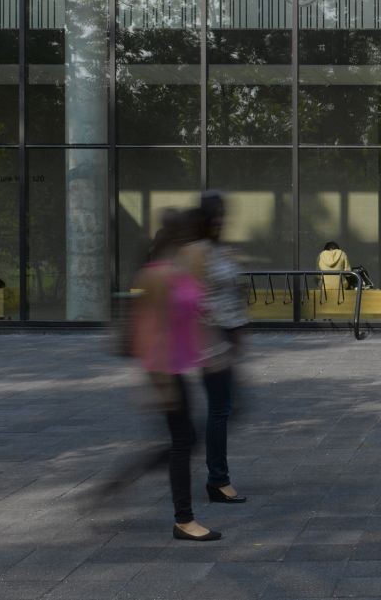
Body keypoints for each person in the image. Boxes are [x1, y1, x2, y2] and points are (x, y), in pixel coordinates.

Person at [129, 210, 222, 542]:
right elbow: (149, 328)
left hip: (177, 367)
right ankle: (184, 520)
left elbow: (194, 315)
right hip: (164, 369)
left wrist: (211, 351)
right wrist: (160, 383)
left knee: (184, 440)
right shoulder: (155, 275)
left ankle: (177, 511)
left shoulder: (181, 272)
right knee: (183, 442)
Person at [191, 193, 247, 507]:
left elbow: (234, 291)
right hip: (210, 337)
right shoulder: (198, 253)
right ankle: (217, 479)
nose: (220, 221)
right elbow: (194, 298)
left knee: (228, 407)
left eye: (222, 215)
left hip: (226, 335)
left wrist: (238, 330)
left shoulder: (222, 251)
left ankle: (213, 471)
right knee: (221, 408)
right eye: (214, 216)